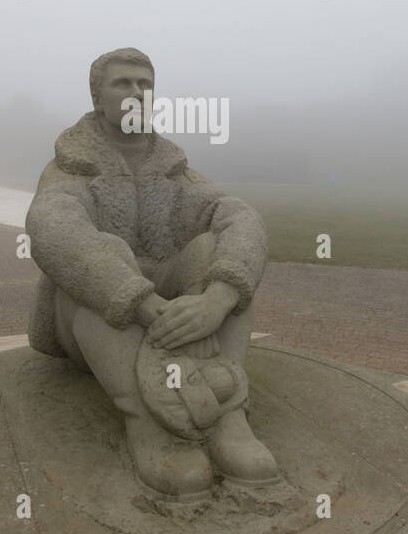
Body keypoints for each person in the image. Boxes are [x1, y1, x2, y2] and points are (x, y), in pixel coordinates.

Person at [26, 47, 281, 502]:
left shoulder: (175, 172)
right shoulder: (68, 170)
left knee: (218, 256)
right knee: (104, 255)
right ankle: (151, 425)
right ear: (97, 98)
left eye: (145, 84)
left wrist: (216, 300)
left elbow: (239, 217)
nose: (136, 92)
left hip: (182, 325)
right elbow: (53, 229)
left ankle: (227, 413)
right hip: (88, 328)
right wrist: (145, 306)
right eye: (122, 83)